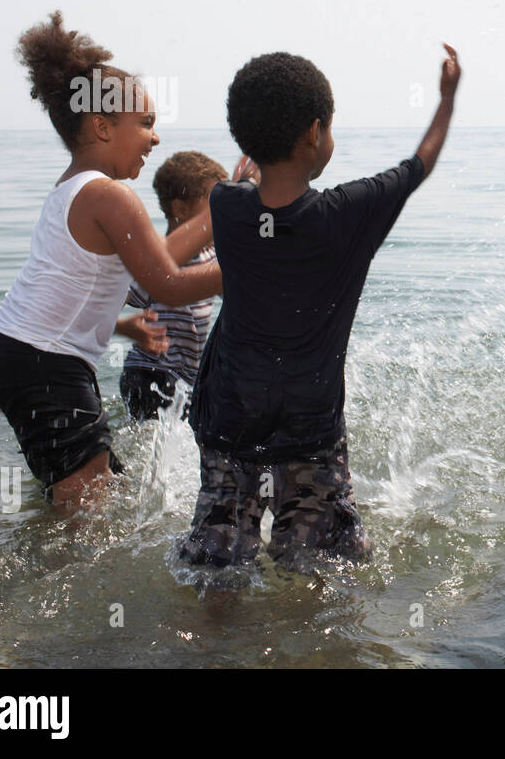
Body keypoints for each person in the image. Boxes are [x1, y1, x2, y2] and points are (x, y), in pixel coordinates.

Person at [179, 44, 461, 569]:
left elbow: (244, 190)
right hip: (307, 431)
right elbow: (419, 163)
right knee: (319, 570)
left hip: (228, 417)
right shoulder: (349, 214)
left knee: (217, 560)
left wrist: (246, 179)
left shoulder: (226, 202)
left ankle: (211, 640)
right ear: (314, 133)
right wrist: (446, 98)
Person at [0, 12, 222, 509]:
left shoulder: (75, 188)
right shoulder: (111, 196)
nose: (156, 138)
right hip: (45, 364)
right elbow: (170, 282)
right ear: (103, 126)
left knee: (103, 488)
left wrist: (123, 325)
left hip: (22, 356)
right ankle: (35, 584)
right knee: (85, 514)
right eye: (147, 123)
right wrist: (248, 266)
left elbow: (151, 263)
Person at [114, 151, 229, 420]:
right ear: (180, 209)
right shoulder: (154, 260)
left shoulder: (212, 255)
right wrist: (124, 326)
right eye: (214, 204)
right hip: (148, 373)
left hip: (186, 378)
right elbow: (105, 303)